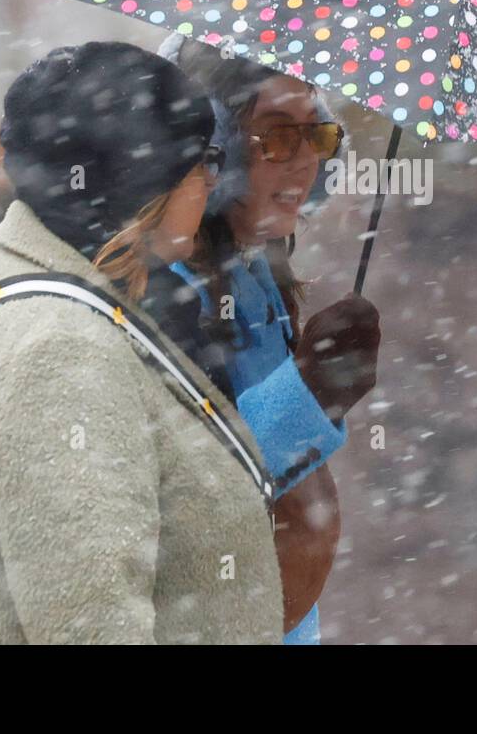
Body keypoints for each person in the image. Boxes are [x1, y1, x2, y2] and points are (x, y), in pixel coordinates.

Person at [0, 40, 282, 644]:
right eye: (204, 161)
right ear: (144, 184)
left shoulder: (33, 295)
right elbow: (92, 626)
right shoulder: (62, 350)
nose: (214, 182)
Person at [165, 33, 382, 645]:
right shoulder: (168, 292)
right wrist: (309, 395)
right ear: (217, 149)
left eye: (316, 134)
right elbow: (191, 492)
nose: (304, 160)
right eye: (277, 136)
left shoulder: (257, 272)